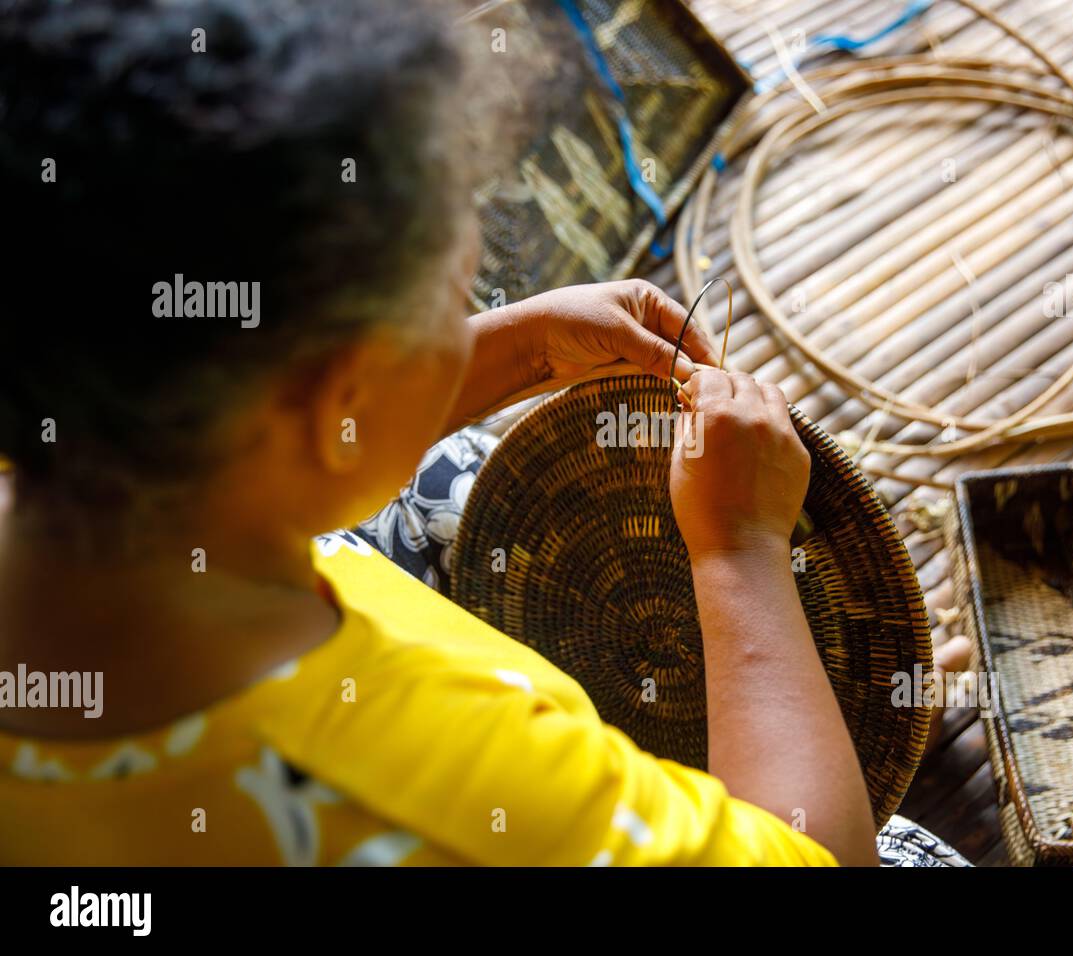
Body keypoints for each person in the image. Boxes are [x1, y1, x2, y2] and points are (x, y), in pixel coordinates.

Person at [0, 0, 966, 866]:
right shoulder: (445, 787)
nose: (473, 310)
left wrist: (527, 346)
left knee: (452, 477)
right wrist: (738, 548)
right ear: (342, 387)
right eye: (456, 293)